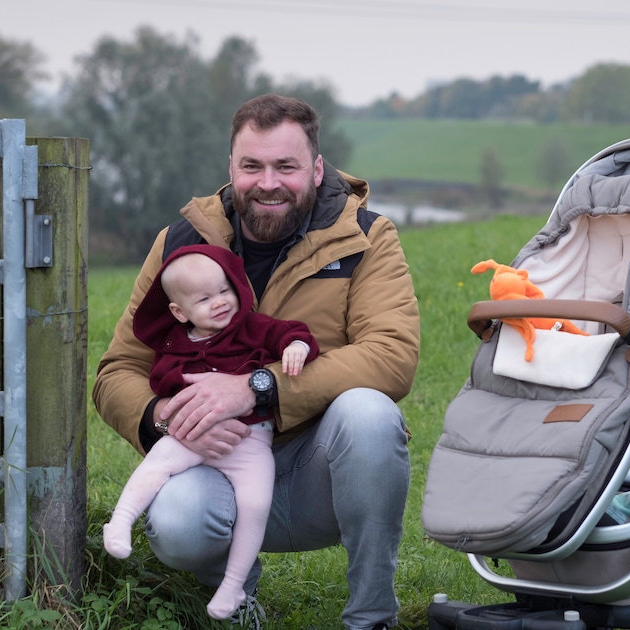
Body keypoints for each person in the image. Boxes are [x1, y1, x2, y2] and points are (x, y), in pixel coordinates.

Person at [92, 93, 420, 630]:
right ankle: (235, 600)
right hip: (216, 460)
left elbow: (391, 355)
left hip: (322, 469)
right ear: (231, 168)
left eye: (285, 166)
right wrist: (167, 416)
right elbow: (117, 372)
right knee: (176, 521)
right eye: (252, 166)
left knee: (369, 413)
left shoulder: (365, 236)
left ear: (316, 169)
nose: (268, 182)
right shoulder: (181, 243)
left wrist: (257, 388)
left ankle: (370, 616)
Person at [102, 244, 320, 620]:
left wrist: (297, 347)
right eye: (204, 299)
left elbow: (289, 333)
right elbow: (160, 382)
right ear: (178, 311)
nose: (220, 303)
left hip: (250, 440)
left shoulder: (250, 326)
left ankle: (233, 587)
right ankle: (120, 521)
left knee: (255, 504)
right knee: (158, 464)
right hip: (192, 433)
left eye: (224, 291)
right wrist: (175, 410)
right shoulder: (174, 344)